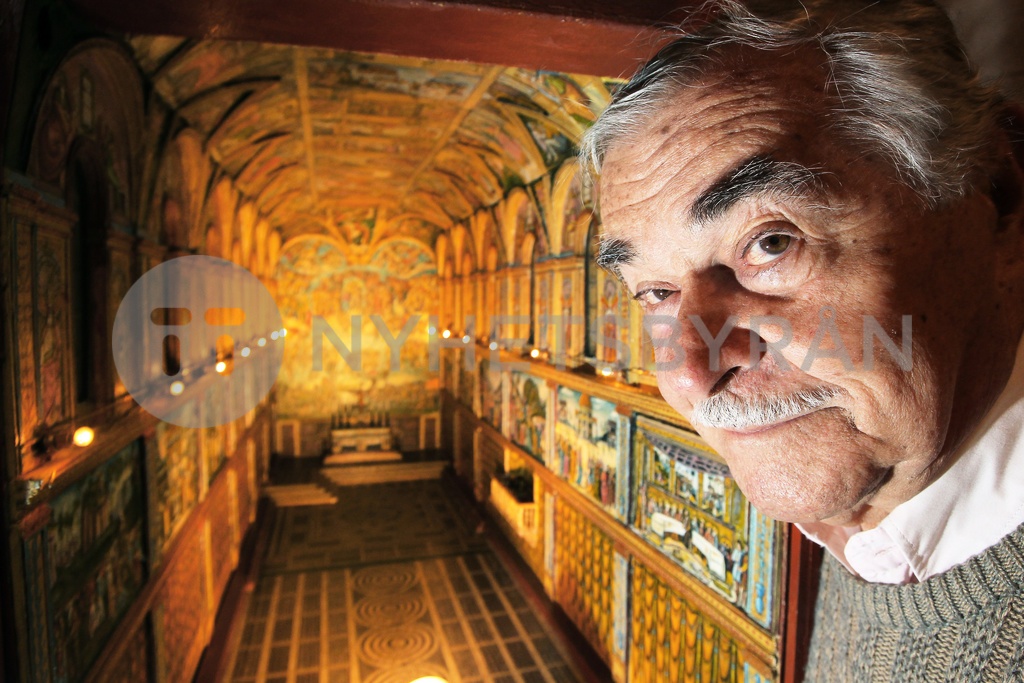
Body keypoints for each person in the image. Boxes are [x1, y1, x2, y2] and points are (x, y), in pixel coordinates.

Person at [580, 0, 1024, 679]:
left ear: (996, 194)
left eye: (770, 241)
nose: (695, 376)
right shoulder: (861, 526)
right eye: (656, 293)